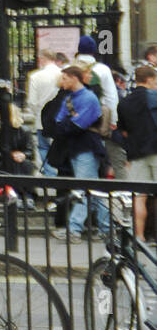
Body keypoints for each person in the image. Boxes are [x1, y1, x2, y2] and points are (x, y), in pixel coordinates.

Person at [48, 65, 113, 239]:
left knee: (84, 189)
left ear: (74, 78)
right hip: (78, 147)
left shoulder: (88, 98)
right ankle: (106, 228)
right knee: (93, 189)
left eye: (65, 78)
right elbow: (59, 123)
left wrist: (70, 122)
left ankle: (75, 228)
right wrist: (72, 121)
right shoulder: (71, 97)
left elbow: (76, 125)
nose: (62, 81)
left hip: (86, 147)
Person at [117, 65, 157, 236]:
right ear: (149, 80)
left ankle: (139, 237)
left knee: (139, 196)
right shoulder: (155, 97)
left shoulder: (124, 102)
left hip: (136, 153)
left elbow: (123, 131)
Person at [26, 50, 63, 170]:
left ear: (42, 58)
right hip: (60, 118)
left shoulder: (35, 76)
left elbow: (31, 101)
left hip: (41, 119)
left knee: (43, 147)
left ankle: (49, 173)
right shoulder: (63, 74)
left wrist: (36, 111)